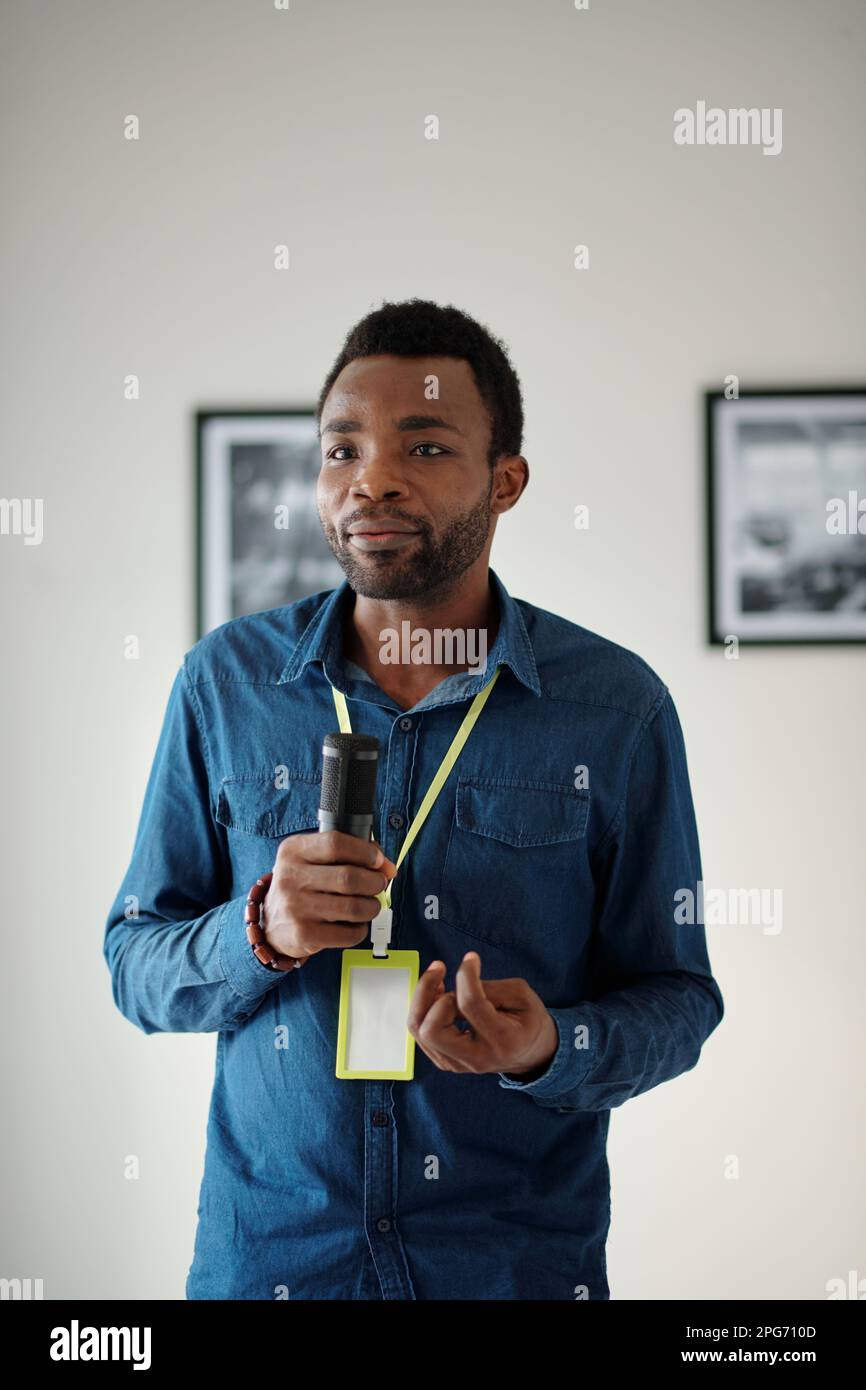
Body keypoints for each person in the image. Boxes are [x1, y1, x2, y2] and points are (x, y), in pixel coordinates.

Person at [103, 298, 724, 1300]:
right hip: (271, 1272)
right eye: (340, 449)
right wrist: (260, 928)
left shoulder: (615, 710)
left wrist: (547, 1046)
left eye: (425, 445)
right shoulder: (223, 685)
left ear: (505, 480)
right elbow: (135, 962)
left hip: (511, 1274)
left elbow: (679, 1000)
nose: (371, 479)